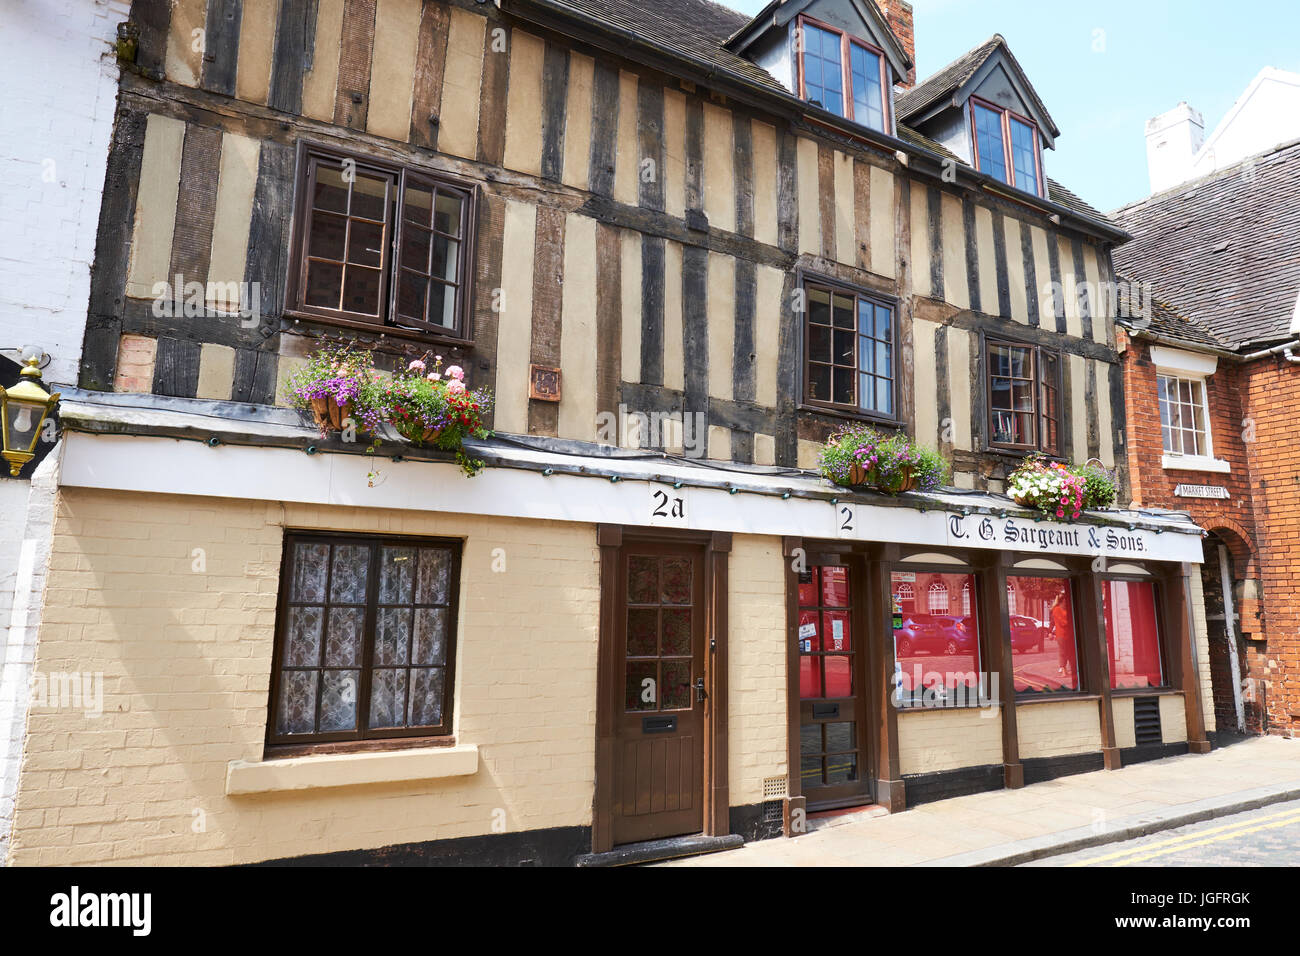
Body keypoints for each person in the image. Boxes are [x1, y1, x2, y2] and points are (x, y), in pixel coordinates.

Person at [1051, 593, 1073, 681]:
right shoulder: (1056, 610)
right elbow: (1063, 622)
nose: (1067, 603)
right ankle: (1063, 671)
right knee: (1062, 652)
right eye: (1065, 601)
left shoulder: (1067, 610)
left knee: (1068, 652)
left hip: (1069, 634)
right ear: (1062, 601)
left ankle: (1066, 670)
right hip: (1061, 634)